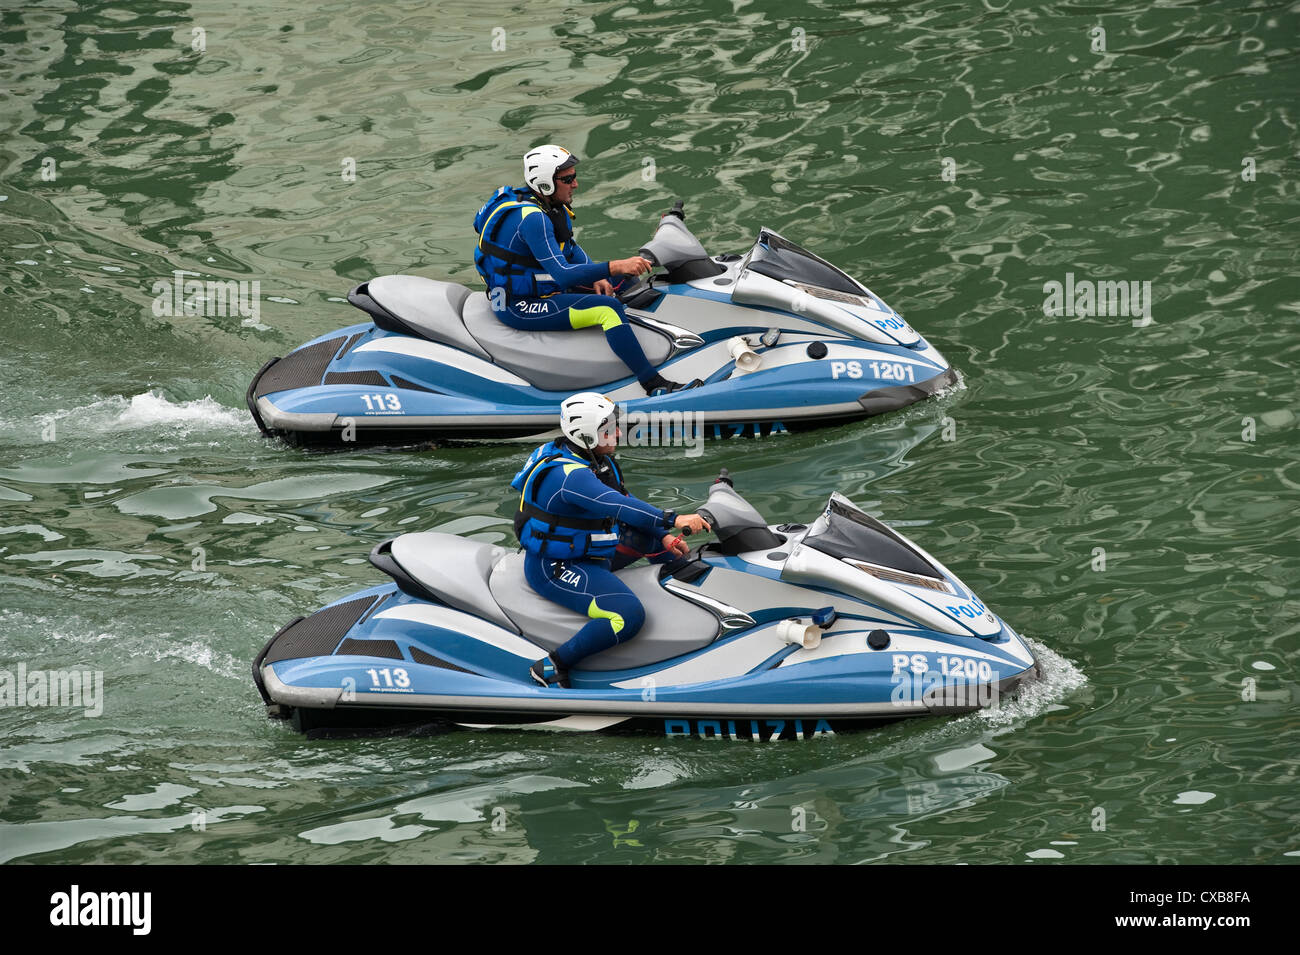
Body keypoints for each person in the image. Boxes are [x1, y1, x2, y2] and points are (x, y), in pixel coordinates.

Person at [511, 392, 711, 687]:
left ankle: (693, 597)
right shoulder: (569, 476)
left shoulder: (594, 459)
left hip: (587, 550)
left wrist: (664, 535)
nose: (618, 432)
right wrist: (674, 519)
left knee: (651, 536)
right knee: (627, 615)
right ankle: (552, 665)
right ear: (587, 434)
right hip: (555, 567)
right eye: (609, 428)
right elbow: (617, 506)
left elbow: (626, 500)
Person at [473, 145, 702, 395]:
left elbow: (570, 250)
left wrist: (605, 274)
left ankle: (671, 344)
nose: (576, 184)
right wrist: (616, 264)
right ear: (547, 183)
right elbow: (562, 274)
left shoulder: (546, 205)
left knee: (625, 281)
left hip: (539, 287)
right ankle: (654, 385)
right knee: (607, 309)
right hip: (517, 306)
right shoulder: (532, 219)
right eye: (568, 179)